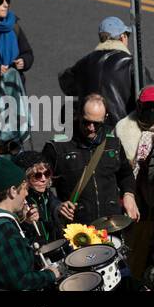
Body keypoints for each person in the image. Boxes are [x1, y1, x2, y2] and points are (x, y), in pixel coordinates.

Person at [46, 94, 138, 227]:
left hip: (111, 225)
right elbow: (37, 184)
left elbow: (126, 174)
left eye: (96, 123)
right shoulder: (58, 147)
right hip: (76, 229)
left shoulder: (113, 144)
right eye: (86, 122)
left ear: (105, 118)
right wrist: (57, 206)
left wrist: (129, 195)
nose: (91, 128)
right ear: (78, 115)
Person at [0, 157, 59, 290]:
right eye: (24, 188)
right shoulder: (5, 231)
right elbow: (18, 281)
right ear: (12, 190)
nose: (26, 193)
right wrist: (50, 274)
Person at [57, 16, 138, 122]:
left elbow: (66, 84)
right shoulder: (131, 64)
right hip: (119, 130)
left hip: (89, 127)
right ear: (123, 37)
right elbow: (149, 95)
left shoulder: (85, 62)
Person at [17, 151, 62, 247]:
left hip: (53, 244)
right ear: (26, 179)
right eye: (37, 175)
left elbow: (53, 203)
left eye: (47, 173)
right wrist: (26, 221)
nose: (44, 179)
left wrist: (60, 207)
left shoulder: (46, 193)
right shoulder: (21, 200)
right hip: (37, 250)